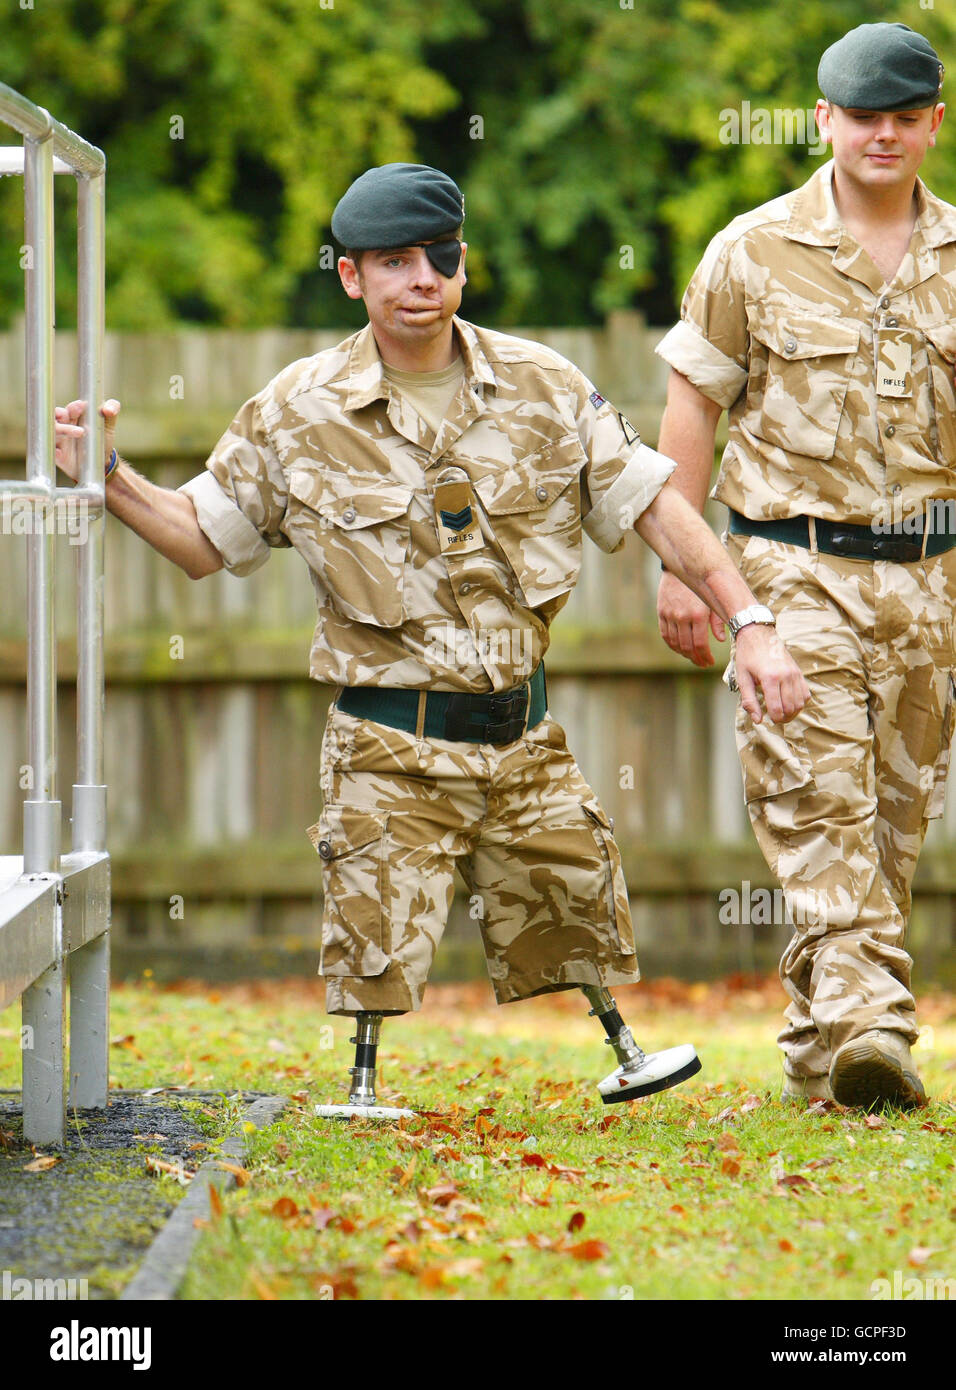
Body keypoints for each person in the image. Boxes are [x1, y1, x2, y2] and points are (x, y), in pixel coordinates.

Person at [55, 162, 808, 1116]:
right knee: (375, 932)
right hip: (388, 743)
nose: (422, 279)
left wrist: (749, 619)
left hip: (519, 735)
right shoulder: (298, 409)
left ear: (463, 264)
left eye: (439, 257)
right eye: (395, 261)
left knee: (573, 899)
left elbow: (657, 504)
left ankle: (625, 1049)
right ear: (350, 277)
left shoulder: (543, 388)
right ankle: (364, 1083)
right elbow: (201, 540)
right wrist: (109, 473)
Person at [655, 23, 956, 1111]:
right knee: (812, 803)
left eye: (902, 115)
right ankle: (875, 1023)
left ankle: (817, 1056)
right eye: (857, 115)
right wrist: (684, 571)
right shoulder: (750, 249)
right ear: (822, 120)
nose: (881, 133)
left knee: (885, 828)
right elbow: (693, 404)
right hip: (789, 575)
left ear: (930, 123)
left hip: (929, 585)